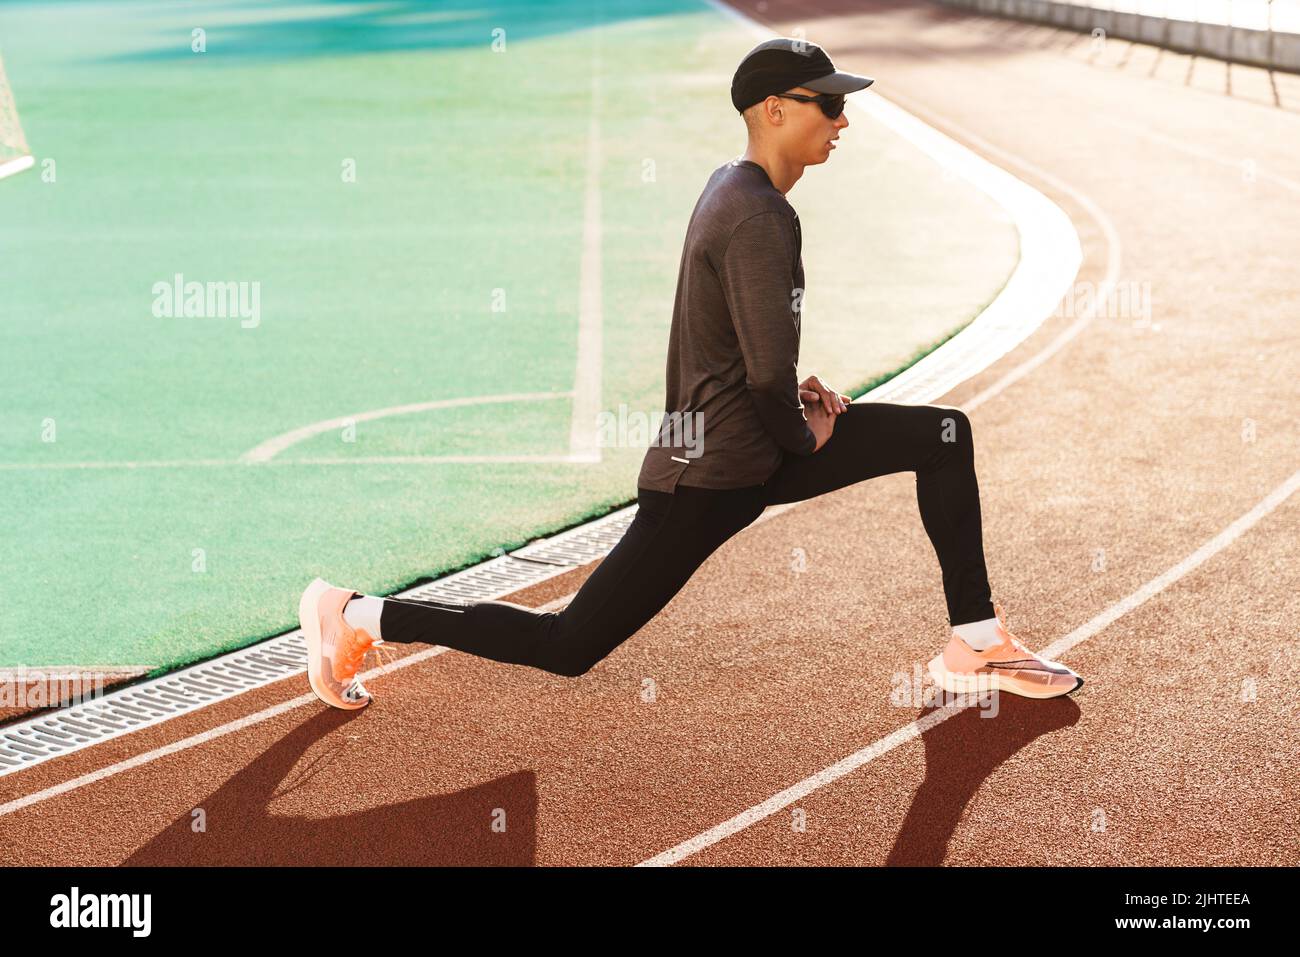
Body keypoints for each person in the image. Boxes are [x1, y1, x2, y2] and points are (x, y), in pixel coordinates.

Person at [298, 37, 1083, 712]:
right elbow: (764, 373)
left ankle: (976, 640)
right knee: (567, 643)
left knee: (943, 435)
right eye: (828, 105)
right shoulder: (758, 215)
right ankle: (356, 613)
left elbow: (749, 351)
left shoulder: (734, 188)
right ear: (773, 109)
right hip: (708, 477)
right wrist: (804, 433)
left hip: (744, 452)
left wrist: (796, 396)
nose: (843, 122)